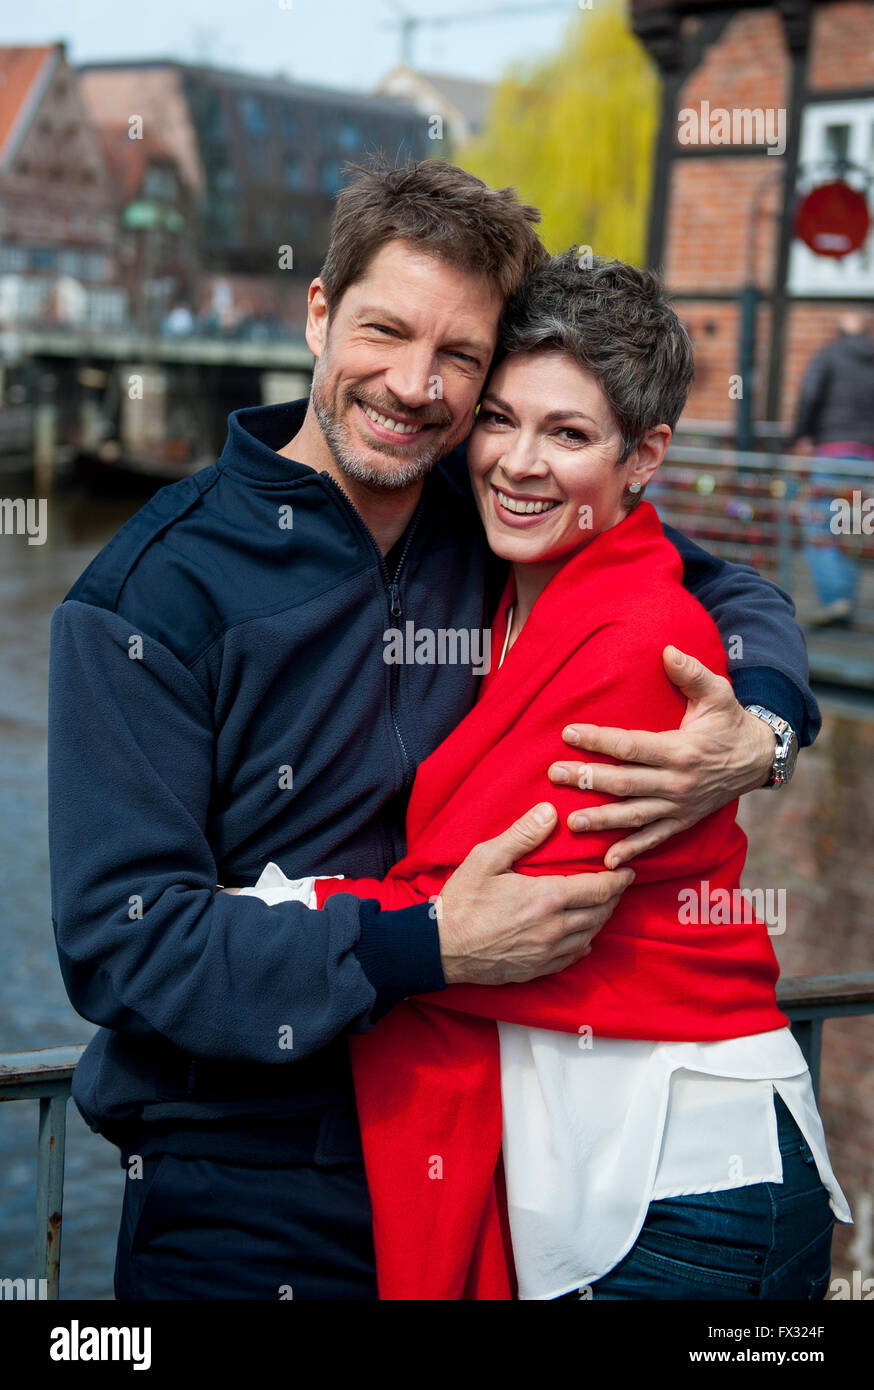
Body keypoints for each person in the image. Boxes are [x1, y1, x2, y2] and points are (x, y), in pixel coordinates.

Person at [49, 160, 818, 1302]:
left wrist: (761, 732)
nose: (413, 385)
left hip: (471, 1145)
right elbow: (125, 943)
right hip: (245, 1175)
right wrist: (425, 948)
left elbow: (720, 588)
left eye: (460, 357)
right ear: (317, 313)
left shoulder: (492, 512)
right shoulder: (148, 600)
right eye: (384, 331)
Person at [237, 254, 850, 1301]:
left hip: (690, 1189)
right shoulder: (513, 581)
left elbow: (487, 904)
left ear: (643, 455)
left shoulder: (637, 641)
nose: (517, 462)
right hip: (621, 1174)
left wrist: (272, 909)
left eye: (567, 435)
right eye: (500, 418)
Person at [792, 309, 874, 627]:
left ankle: (834, 599)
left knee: (818, 523)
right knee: (851, 527)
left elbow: (809, 396)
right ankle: (845, 601)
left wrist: (801, 435)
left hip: (831, 450)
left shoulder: (828, 354)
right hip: (867, 457)